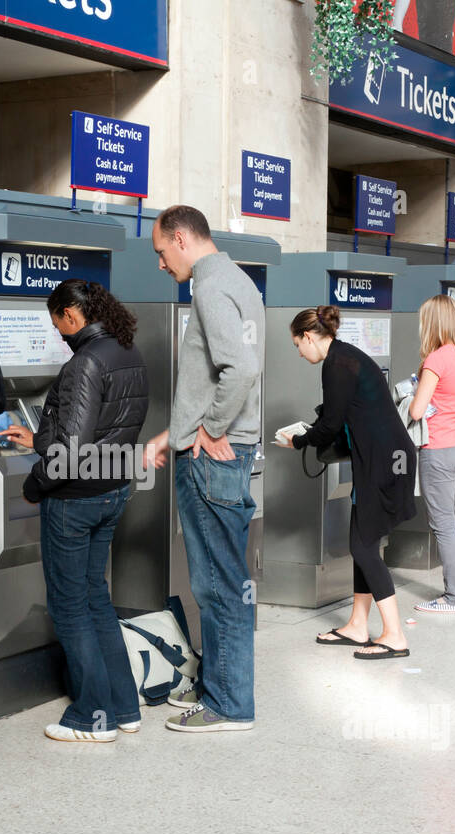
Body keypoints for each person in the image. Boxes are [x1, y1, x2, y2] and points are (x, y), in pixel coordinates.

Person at [0, 280, 149, 743]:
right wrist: (37, 439)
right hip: (111, 490)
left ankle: (91, 717)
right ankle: (124, 707)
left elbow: (74, 444)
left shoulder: (84, 363)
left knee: (69, 606)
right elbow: (99, 430)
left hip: (73, 497)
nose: (58, 332)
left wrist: (34, 484)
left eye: (56, 322)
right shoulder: (127, 352)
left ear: (70, 314)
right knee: (94, 597)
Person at [143, 205, 262, 733]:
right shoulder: (239, 281)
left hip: (217, 455)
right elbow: (217, 374)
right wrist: (179, 431)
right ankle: (217, 683)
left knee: (218, 583)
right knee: (225, 577)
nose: (162, 265)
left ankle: (228, 705)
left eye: (162, 253)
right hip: (228, 448)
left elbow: (239, 369)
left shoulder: (210, 287)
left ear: (182, 237)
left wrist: (210, 430)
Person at [277, 306, 417, 659]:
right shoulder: (346, 356)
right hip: (382, 459)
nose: (299, 352)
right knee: (362, 542)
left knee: (364, 546)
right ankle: (357, 625)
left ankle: (395, 635)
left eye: (297, 345)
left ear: (309, 337)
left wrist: (296, 441)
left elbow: (330, 425)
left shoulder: (336, 364)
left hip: (383, 464)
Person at [407, 294, 455, 614]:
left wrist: (411, 391)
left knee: (443, 525)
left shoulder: (436, 359)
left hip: (438, 450)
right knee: (447, 521)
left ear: (433, 324)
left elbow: (417, 409)